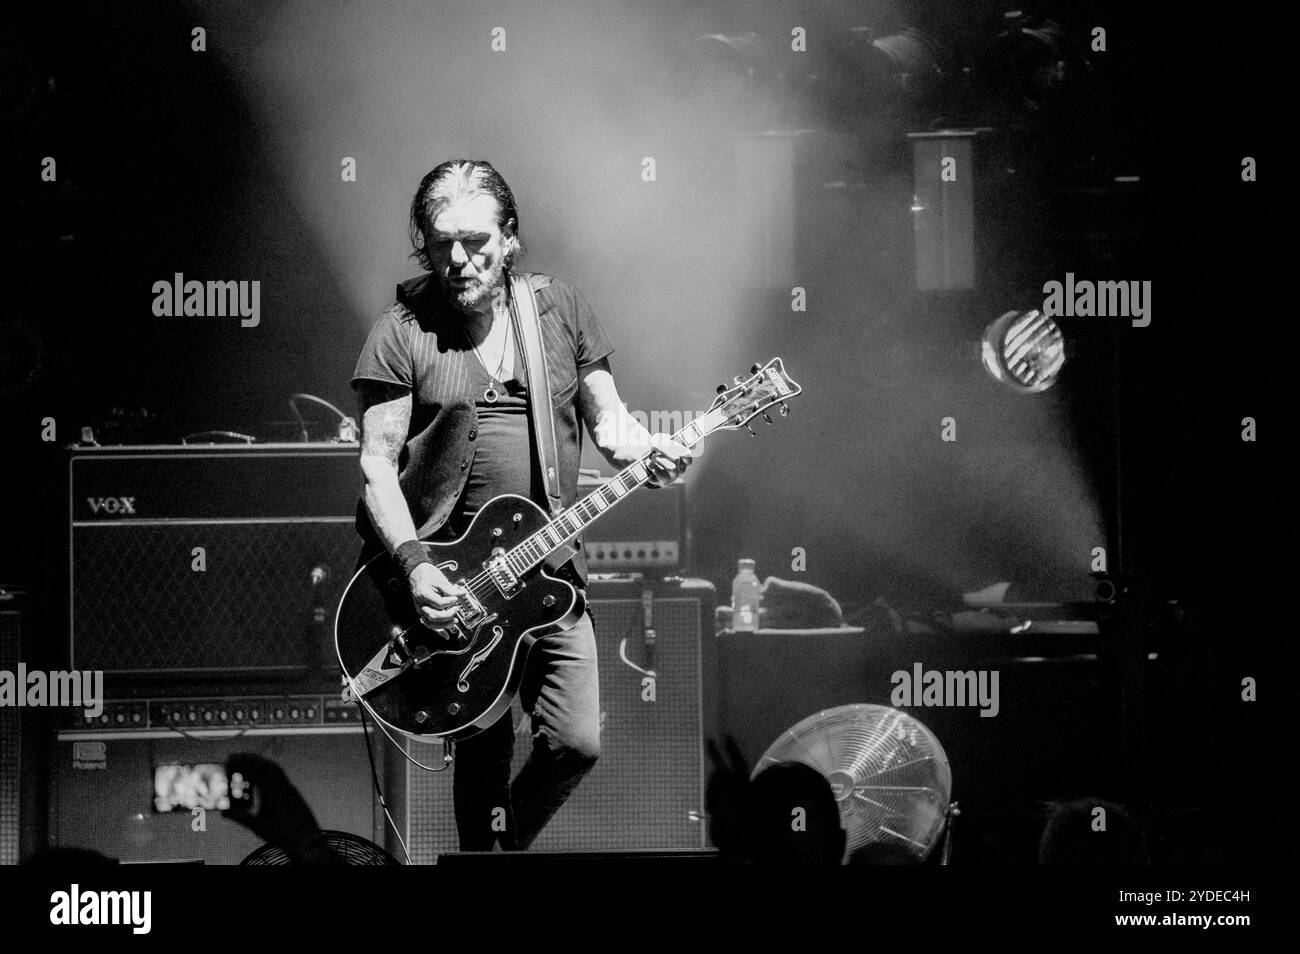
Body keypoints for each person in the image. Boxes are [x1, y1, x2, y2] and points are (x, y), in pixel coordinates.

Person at [351, 159, 692, 851]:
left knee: (577, 742)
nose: (457, 259)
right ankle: (483, 859)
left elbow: (613, 426)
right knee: (482, 751)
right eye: (441, 242)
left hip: (551, 573)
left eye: (475, 241)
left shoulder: (559, 310)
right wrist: (417, 568)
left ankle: (504, 850)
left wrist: (651, 453)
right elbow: (376, 467)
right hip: (453, 582)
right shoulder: (401, 330)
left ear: (510, 239)